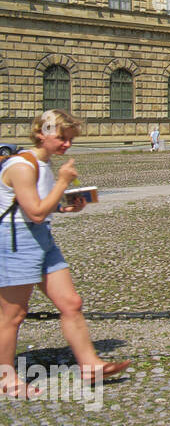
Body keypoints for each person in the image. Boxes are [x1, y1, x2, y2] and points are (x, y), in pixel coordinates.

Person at [1, 110, 129, 398]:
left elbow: (41, 206)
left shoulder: (43, 164)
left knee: (71, 302)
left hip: (41, 238)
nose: (66, 145)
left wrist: (64, 206)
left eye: (70, 139)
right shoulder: (21, 166)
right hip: (15, 240)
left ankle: (90, 365)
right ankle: (6, 378)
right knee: (13, 314)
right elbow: (33, 211)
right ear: (40, 133)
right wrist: (62, 182)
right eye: (61, 138)